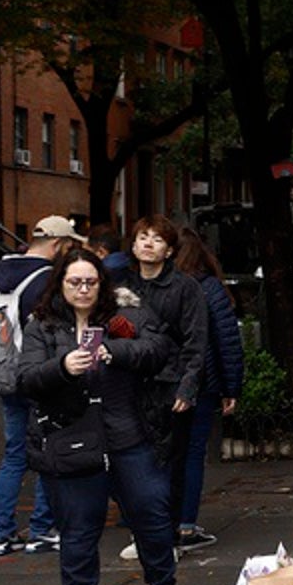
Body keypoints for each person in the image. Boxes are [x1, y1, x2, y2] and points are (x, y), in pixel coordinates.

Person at [18, 248, 187, 585]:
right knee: (78, 526)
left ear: (102, 284)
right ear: (60, 284)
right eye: (74, 282)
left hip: (128, 434)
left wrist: (116, 350)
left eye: (91, 282)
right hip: (71, 438)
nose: (83, 289)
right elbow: (25, 378)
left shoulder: (126, 316)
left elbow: (159, 350)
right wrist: (62, 367)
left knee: (153, 515)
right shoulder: (42, 326)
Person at [0, 216, 79, 557]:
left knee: (14, 454)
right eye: (70, 246)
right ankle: (41, 529)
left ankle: (1, 534)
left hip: (5, 374)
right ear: (57, 244)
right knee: (47, 450)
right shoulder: (45, 281)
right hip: (39, 374)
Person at [112, 216, 205, 561]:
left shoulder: (185, 288)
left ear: (169, 249)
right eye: (142, 237)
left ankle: (167, 537)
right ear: (133, 245)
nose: (148, 243)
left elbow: (197, 340)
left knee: (169, 463)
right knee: (133, 463)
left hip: (170, 383)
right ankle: (144, 532)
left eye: (157, 239)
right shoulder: (119, 285)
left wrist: (187, 386)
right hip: (129, 382)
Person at [170, 226, 242, 550]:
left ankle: (159, 523)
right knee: (193, 454)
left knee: (163, 454)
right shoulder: (209, 288)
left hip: (162, 383)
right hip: (202, 382)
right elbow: (227, 341)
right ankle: (185, 524)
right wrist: (231, 387)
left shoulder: (158, 288)